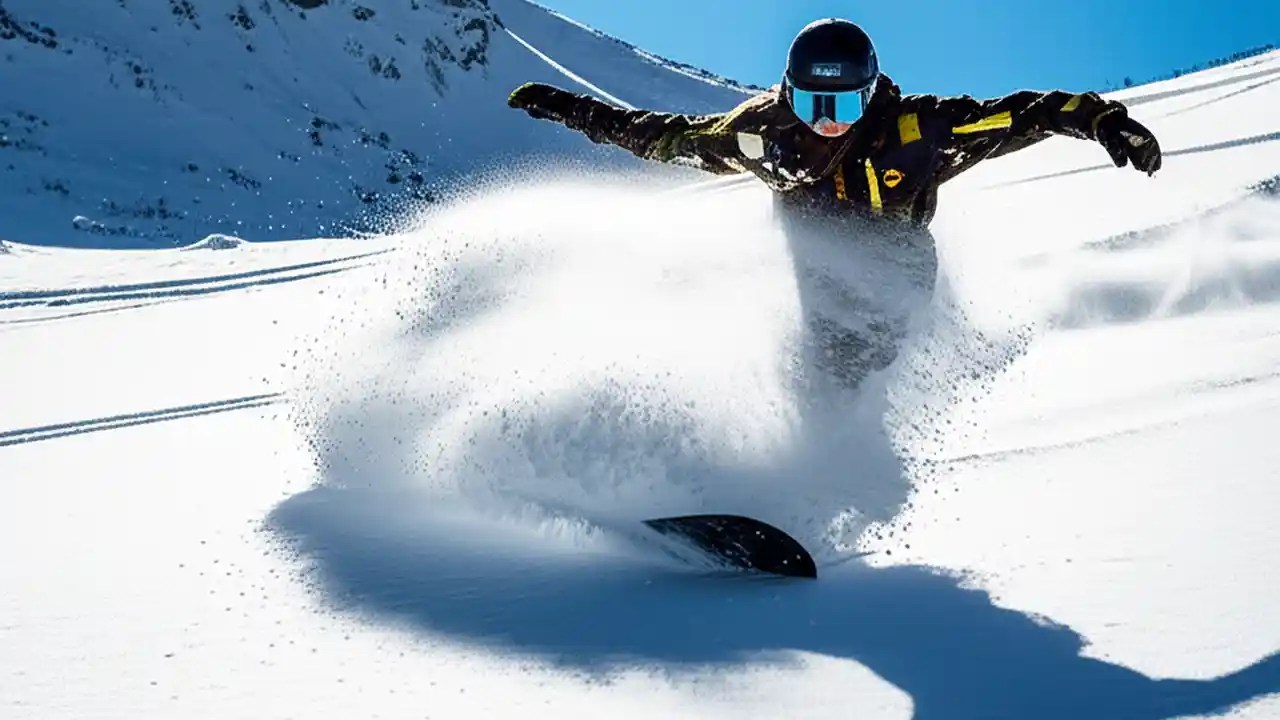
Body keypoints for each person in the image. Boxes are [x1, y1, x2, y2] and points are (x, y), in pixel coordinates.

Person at [505, 18, 1162, 227]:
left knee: (852, 360)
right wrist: (567, 107)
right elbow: (657, 136)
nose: (826, 123)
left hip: (897, 274)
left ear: (870, 96)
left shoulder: (919, 133)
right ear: (787, 93)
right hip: (802, 262)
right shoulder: (758, 133)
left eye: (843, 106)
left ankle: (815, 485)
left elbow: (1023, 114)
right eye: (813, 105)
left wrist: (1102, 121)